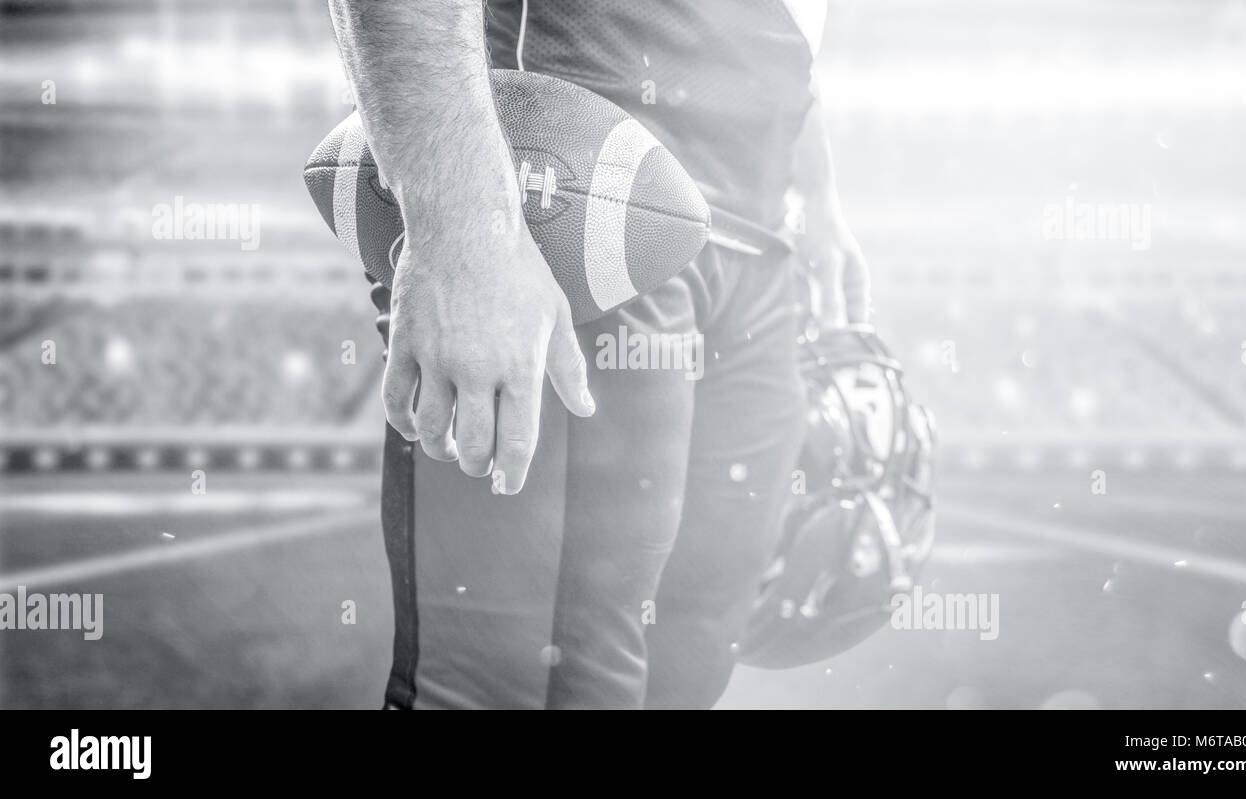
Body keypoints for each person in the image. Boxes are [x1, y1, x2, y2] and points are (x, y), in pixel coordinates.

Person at [328, 0, 870, 709]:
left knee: (681, 667)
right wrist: (462, 230)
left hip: (753, 221)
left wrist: (813, 183)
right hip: (580, 182)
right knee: (513, 684)